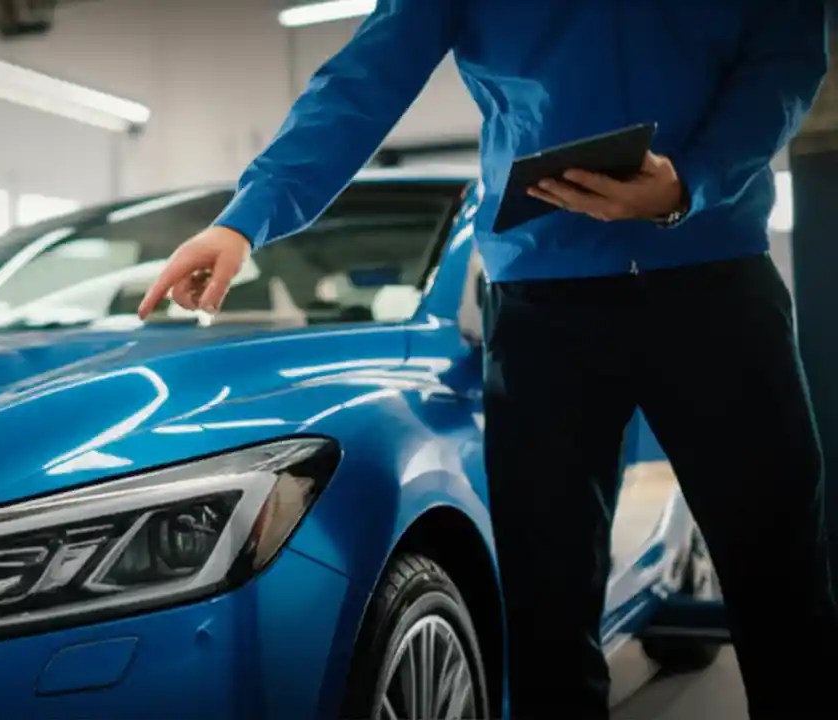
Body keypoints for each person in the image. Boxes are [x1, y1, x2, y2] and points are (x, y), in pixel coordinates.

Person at [136, 1, 837, 718]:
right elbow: (363, 80)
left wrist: (693, 182)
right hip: (544, 304)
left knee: (785, 589)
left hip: (716, 281)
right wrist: (245, 220)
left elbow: (785, 57)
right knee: (547, 615)